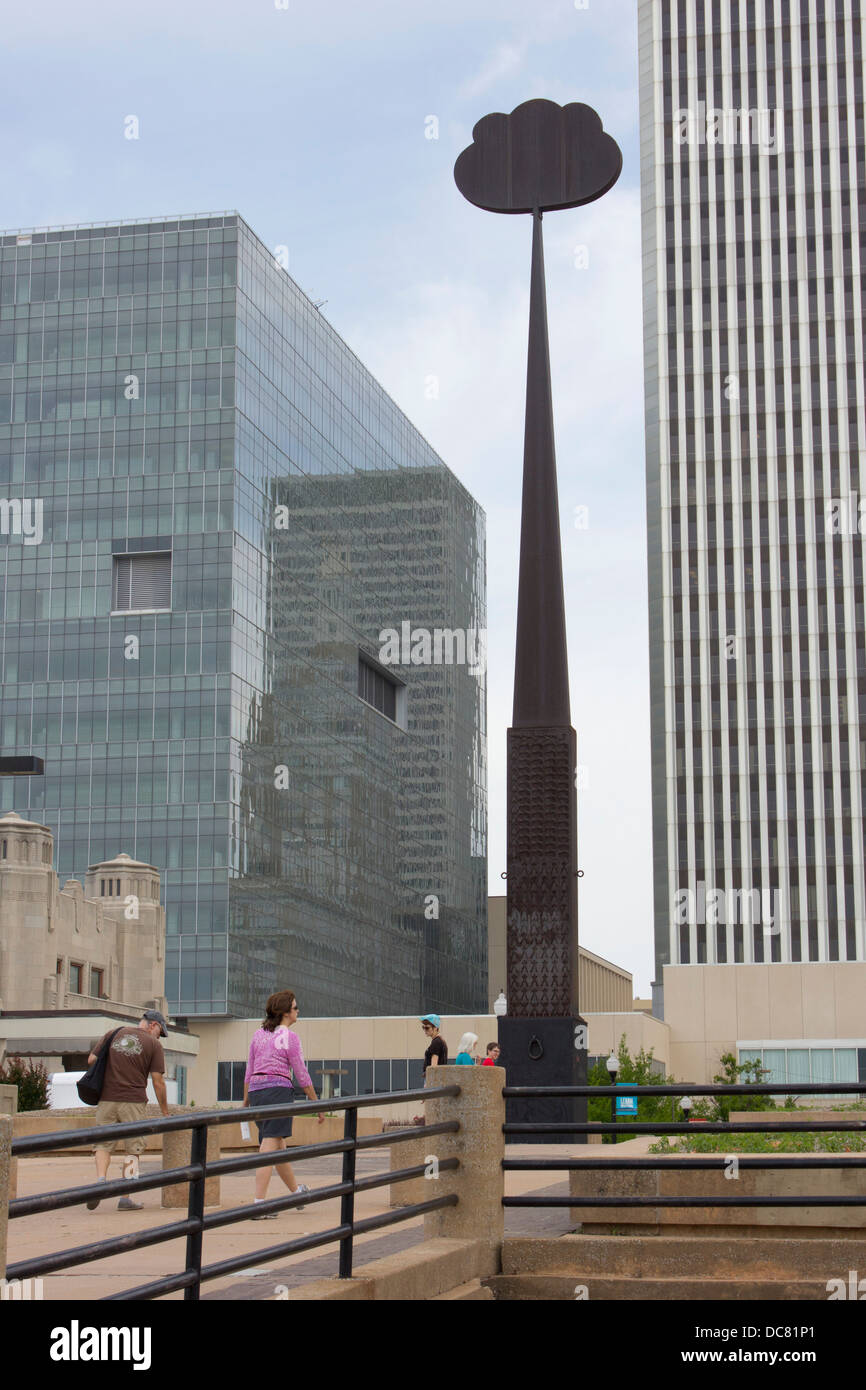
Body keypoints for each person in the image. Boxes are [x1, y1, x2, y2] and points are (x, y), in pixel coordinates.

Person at [243, 989, 323, 1218]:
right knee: (270, 1145)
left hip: (257, 1092)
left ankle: (296, 1193)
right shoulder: (290, 1037)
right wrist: (316, 1104)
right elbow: (301, 1074)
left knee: (277, 1145)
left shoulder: (258, 1035)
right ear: (286, 1013)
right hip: (277, 1090)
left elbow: (249, 1071)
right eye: (296, 1008)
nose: (298, 1011)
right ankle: (259, 1204)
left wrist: (246, 1102)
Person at [85, 1009, 170, 1212]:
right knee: (134, 1149)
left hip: (107, 1098)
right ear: (153, 1025)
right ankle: (125, 1195)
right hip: (133, 1100)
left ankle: (100, 1181)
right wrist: (165, 1112)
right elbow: (158, 1082)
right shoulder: (153, 1044)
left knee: (103, 1144)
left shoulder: (113, 1033)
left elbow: (91, 1060)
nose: (160, 1037)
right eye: (161, 1032)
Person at [413, 1013, 448, 1123]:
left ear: (436, 1028)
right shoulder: (439, 1041)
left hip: (433, 1078)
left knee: (431, 1107)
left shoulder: (436, 1042)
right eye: (423, 1027)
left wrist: (428, 1083)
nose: (425, 1030)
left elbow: (434, 1065)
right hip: (436, 1078)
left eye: (427, 1027)